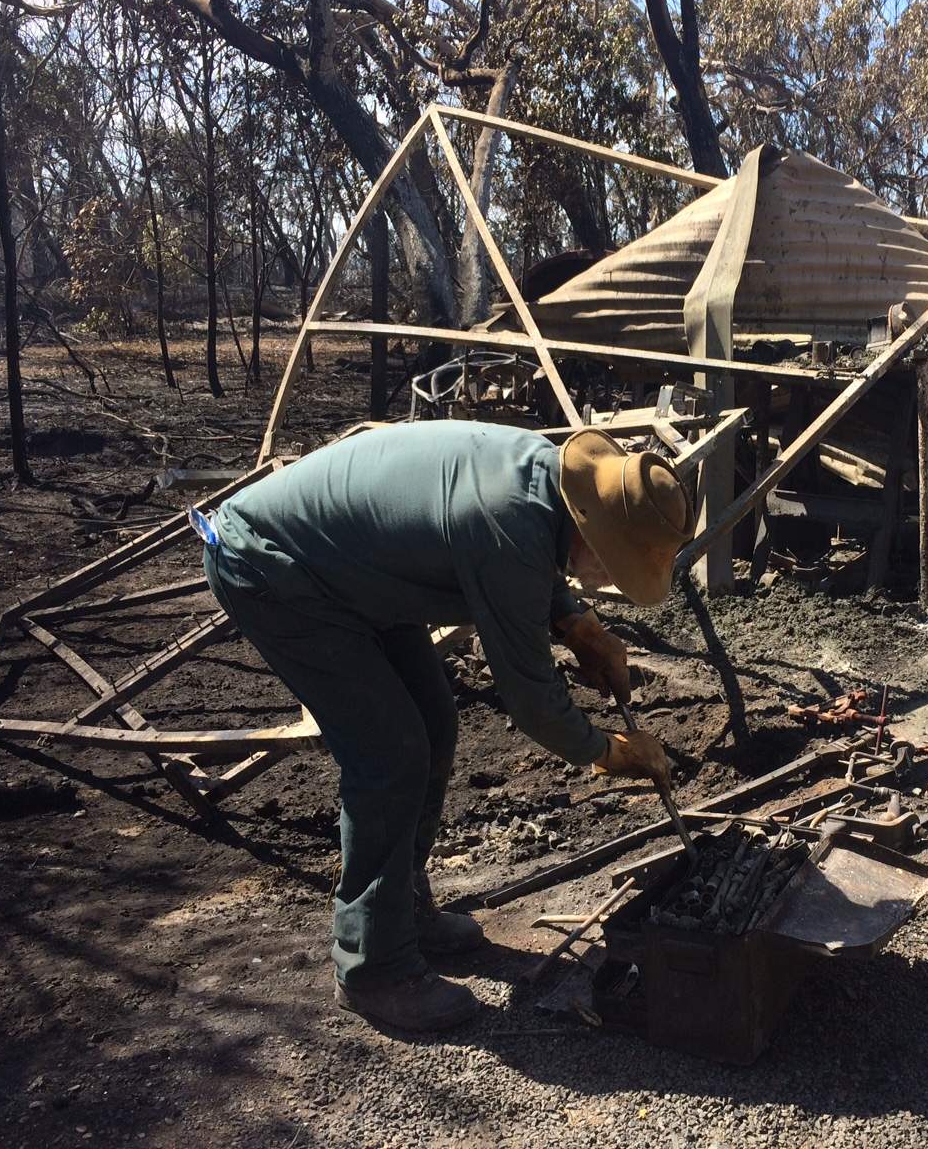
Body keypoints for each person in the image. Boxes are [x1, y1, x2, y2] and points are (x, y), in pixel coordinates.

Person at [199, 421, 692, 1031]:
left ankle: (400, 909)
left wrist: (580, 627)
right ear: (595, 525)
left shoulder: (547, 480)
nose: (605, 575)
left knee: (434, 718)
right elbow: (532, 699)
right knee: (390, 754)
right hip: (276, 569)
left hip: (357, 573)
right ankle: (372, 965)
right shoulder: (508, 520)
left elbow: (533, 563)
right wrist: (611, 752)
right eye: (612, 562)